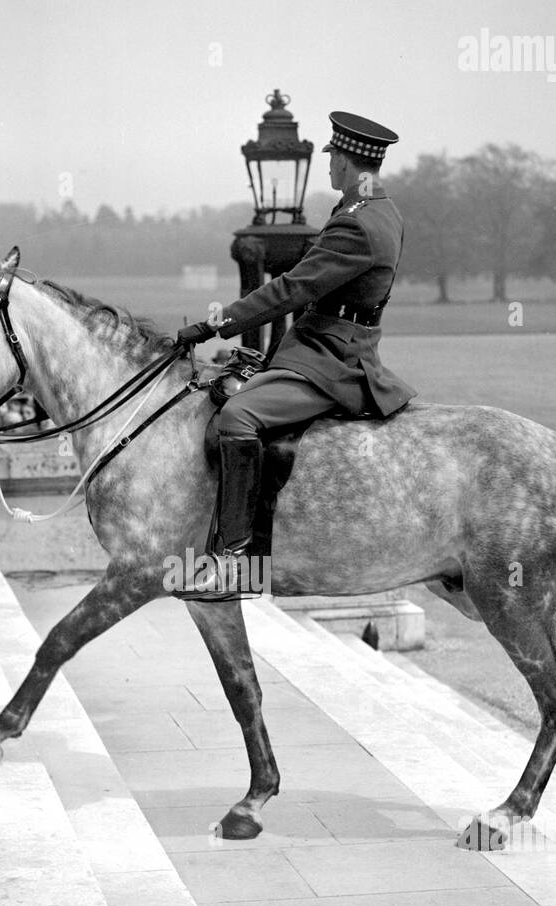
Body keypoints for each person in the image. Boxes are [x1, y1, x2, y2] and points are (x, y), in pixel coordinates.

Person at [174, 111, 414, 597]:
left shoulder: (359, 224)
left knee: (237, 416)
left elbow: (291, 290)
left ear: (348, 162)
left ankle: (234, 559)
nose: (328, 167)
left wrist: (214, 326)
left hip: (332, 361)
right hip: (323, 347)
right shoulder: (377, 210)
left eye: (333, 158)